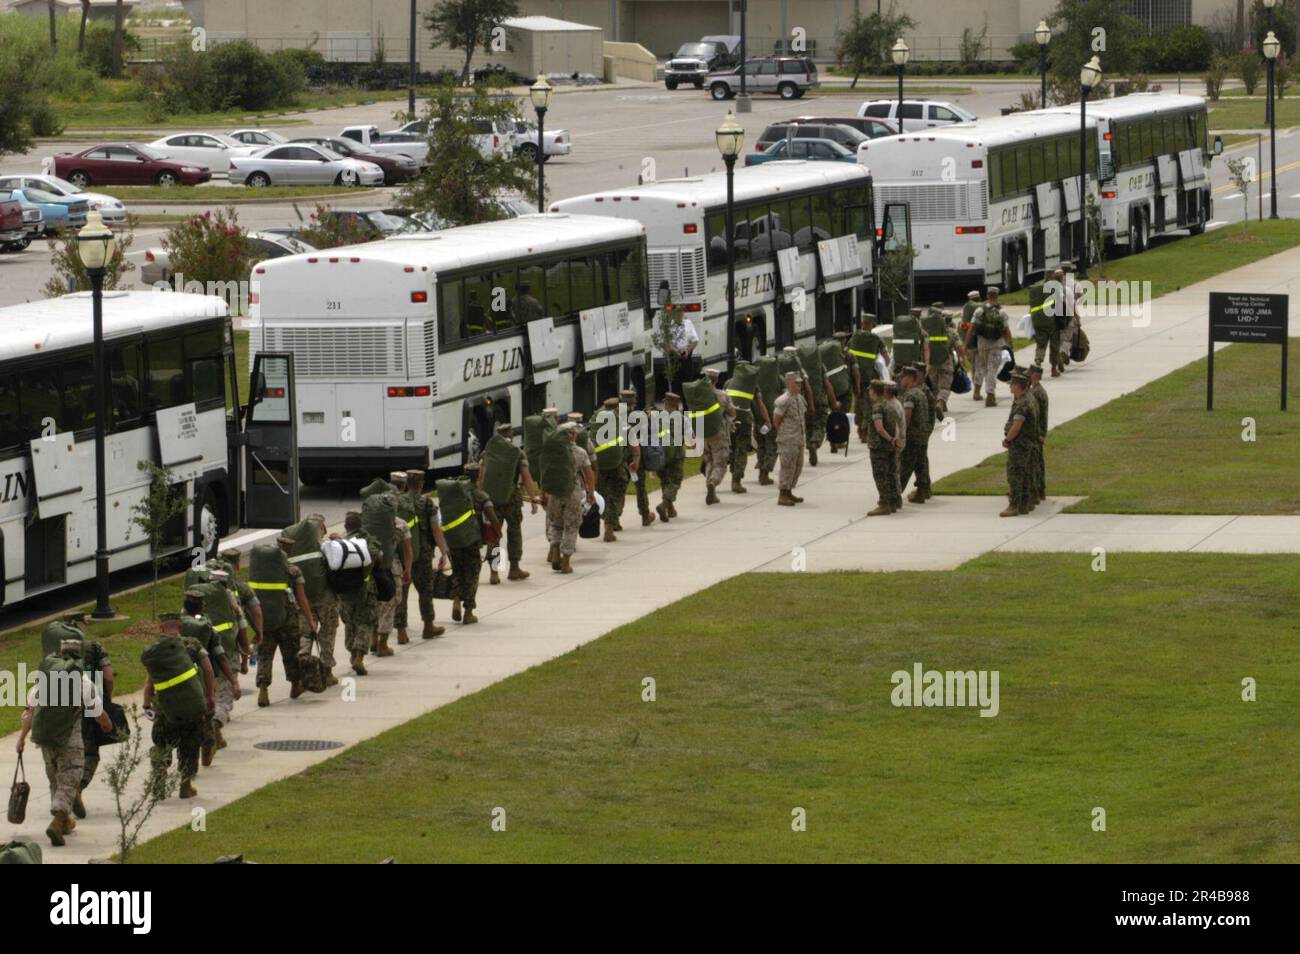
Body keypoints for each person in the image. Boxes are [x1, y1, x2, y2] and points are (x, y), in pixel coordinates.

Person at [15, 638, 112, 846]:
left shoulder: (43, 681)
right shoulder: (82, 682)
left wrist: (21, 738)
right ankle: (58, 822)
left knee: (56, 781)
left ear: (59, 654)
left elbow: (29, 713)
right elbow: (97, 712)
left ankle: (66, 822)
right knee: (70, 778)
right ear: (79, 657)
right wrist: (107, 725)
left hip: (45, 741)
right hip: (69, 740)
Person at [144, 614, 216, 800]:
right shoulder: (192, 645)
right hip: (191, 705)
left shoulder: (158, 650)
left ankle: (159, 776)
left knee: (161, 744)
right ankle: (185, 786)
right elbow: (208, 670)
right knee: (189, 744)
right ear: (180, 627)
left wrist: (146, 702)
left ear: (161, 629)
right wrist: (209, 696)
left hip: (165, 708)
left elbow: (150, 682)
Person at [250, 536, 317, 708]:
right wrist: (310, 620)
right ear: (289, 550)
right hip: (288, 620)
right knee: (290, 652)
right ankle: (295, 686)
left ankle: (263, 690)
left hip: (265, 619)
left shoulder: (261, 570)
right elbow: (301, 598)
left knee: (265, 654)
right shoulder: (293, 571)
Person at [180, 588, 237, 769]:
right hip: (201, 680)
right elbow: (219, 657)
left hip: (178, 679)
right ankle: (209, 745)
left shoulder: (175, 625)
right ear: (202, 607)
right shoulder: (207, 628)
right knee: (205, 715)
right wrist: (233, 681)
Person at [480, 425, 539, 579]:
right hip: (512, 499)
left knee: (494, 534)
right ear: (511, 435)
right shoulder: (517, 453)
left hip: (491, 500)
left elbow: (481, 475)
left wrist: (481, 497)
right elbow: (526, 477)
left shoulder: (488, 452)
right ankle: (514, 569)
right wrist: (533, 499)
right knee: (514, 532)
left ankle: (494, 572)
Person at [446, 465, 498, 625]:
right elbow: (492, 516)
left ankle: (455, 600)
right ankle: (468, 611)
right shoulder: (480, 495)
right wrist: (498, 531)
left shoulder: (454, 492)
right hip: (471, 540)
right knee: (473, 573)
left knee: (457, 571)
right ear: (479, 476)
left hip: (453, 539)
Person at [545, 422, 597, 573]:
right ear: (573, 435)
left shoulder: (552, 451)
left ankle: (555, 553)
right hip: (572, 493)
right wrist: (591, 493)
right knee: (571, 526)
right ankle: (565, 562)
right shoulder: (580, 452)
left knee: (556, 524)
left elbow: (545, 473)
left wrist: (543, 493)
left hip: (554, 492)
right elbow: (589, 475)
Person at [404, 469, 450, 637]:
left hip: (404, 554)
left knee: (402, 591)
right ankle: (428, 626)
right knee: (425, 591)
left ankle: (401, 630)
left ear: (407, 484)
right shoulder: (427, 503)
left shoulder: (399, 502)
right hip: (423, 554)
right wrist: (443, 552)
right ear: (421, 484)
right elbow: (435, 529)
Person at [336, 512, 380, 675]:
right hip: (366, 590)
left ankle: (352, 655)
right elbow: (377, 556)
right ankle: (359, 658)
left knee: (350, 623)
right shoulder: (367, 541)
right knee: (365, 623)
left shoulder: (341, 543)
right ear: (361, 526)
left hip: (345, 593)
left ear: (346, 527)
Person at [1001, 368, 1041, 516]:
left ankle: (1014, 505)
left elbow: (1017, 426)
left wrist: (1007, 439)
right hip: (1027, 444)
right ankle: (1024, 504)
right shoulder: (1028, 399)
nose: (1010, 386)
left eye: (1012, 384)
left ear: (1018, 386)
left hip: (1020, 445)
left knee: (1015, 475)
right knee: (1025, 475)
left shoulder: (1022, 403)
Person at [964, 286, 1013, 407]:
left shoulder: (979, 311)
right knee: (992, 369)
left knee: (980, 365)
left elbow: (971, 329)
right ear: (996, 296)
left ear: (987, 296)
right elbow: (1007, 330)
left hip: (982, 343)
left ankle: (976, 391)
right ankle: (990, 395)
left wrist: (966, 344)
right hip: (996, 344)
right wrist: (1010, 345)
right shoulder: (1001, 312)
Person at [591, 396, 631, 542]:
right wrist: (637, 458)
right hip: (617, 464)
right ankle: (609, 527)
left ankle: (612, 522)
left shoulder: (596, 419)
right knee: (615, 495)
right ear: (617, 406)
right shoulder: (620, 420)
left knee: (603, 495)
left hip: (599, 464)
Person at [700, 367, 737, 505]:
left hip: (702, 432)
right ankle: (713, 483)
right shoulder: (722, 395)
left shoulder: (699, 395)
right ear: (717, 379)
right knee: (720, 463)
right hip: (718, 433)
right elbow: (732, 413)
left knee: (709, 460)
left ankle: (711, 490)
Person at [865, 379, 902, 516]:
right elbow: (897, 424)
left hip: (879, 446)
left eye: (870, 390)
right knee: (891, 473)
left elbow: (879, 428)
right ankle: (894, 501)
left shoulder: (878, 407)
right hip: (891, 446)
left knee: (880, 475)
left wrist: (889, 438)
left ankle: (884, 503)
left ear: (874, 391)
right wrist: (895, 439)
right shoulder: (890, 404)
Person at [899, 365, 935, 504]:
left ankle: (893, 497)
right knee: (920, 465)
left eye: (903, 377)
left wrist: (901, 436)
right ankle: (922, 491)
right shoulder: (921, 392)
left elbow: (907, 417)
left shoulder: (911, 395)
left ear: (909, 378)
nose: (901, 379)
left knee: (904, 468)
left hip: (912, 437)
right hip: (922, 436)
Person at [849, 313, 887, 443]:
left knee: (858, 403)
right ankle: (866, 430)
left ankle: (860, 428)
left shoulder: (854, 337)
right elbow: (886, 357)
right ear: (872, 324)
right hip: (870, 377)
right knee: (869, 404)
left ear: (862, 323)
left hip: (856, 377)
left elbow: (847, 353)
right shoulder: (876, 339)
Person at [772, 371, 807, 506]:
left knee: (797, 466)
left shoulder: (799, 399)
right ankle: (782, 494)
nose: (799, 386)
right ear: (788, 384)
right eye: (796, 383)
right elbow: (777, 420)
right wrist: (785, 434)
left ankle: (789, 491)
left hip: (798, 438)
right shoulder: (783, 400)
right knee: (787, 466)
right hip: (788, 439)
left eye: (800, 383)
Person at [621, 389, 656, 525]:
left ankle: (613, 521)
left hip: (621, 457)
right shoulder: (639, 416)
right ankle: (645, 515)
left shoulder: (615, 415)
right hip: (636, 457)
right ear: (633, 401)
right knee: (640, 487)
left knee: (620, 489)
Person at [653, 392, 686, 522]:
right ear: (676, 404)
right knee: (675, 481)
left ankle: (670, 509)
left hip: (660, 454)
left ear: (666, 403)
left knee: (665, 480)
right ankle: (664, 504)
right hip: (675, 455)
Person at [922, 301, 959, 417]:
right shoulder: (951, 332)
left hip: (932, 362)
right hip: (946, 362)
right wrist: (962, 358)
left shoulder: (926, 331)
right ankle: (940, 403)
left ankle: (938, 405)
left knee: (935, 386)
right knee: (945, 386)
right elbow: (959, 346)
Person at [660, 304, 700, 393]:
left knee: (688, 385)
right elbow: (663, 343)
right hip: (673, 359)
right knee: (675, 386)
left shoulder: (688, 323)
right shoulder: (668, 325)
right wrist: (674, 351)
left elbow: (695, 340)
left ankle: (686, 406)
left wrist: (687, 350)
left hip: (686, 357)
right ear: (673, 313)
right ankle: (675, 406)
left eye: (682, 311)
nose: (680, 313)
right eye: (678, 311)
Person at [1033, 269, 1065, 376]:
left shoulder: (1036, 288)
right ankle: (1053, 369)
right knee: (1054, 345)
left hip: (1038, 321)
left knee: (1041, 344)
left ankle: (1038, 362)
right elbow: (1060, 304)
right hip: (1051, 322)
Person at [1028, 364, 1049, 503]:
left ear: (1035, 375)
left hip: (1037, 432)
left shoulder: (1036, 392)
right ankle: (1039, 490)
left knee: (1036, 463)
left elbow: (1037, 415)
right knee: (1038, 462)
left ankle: (1037, 490)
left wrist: (1039, 434)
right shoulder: (1037, 390)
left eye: (1030, 373)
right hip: (1039, 431)